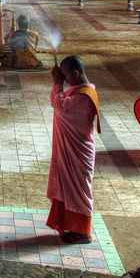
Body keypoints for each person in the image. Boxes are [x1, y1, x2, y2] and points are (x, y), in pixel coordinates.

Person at [45, 56, 100, 243]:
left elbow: (60, 108)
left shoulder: (84, 96)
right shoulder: (77, 90)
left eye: (66, 76)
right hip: (70, 148)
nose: (65, 80)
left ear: (75, 73)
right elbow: (56, 103)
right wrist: (58, 85)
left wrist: (57, 84)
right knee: (66, 188)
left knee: (79, 190)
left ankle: (82, 231)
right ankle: (70, 226)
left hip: (79, 150)